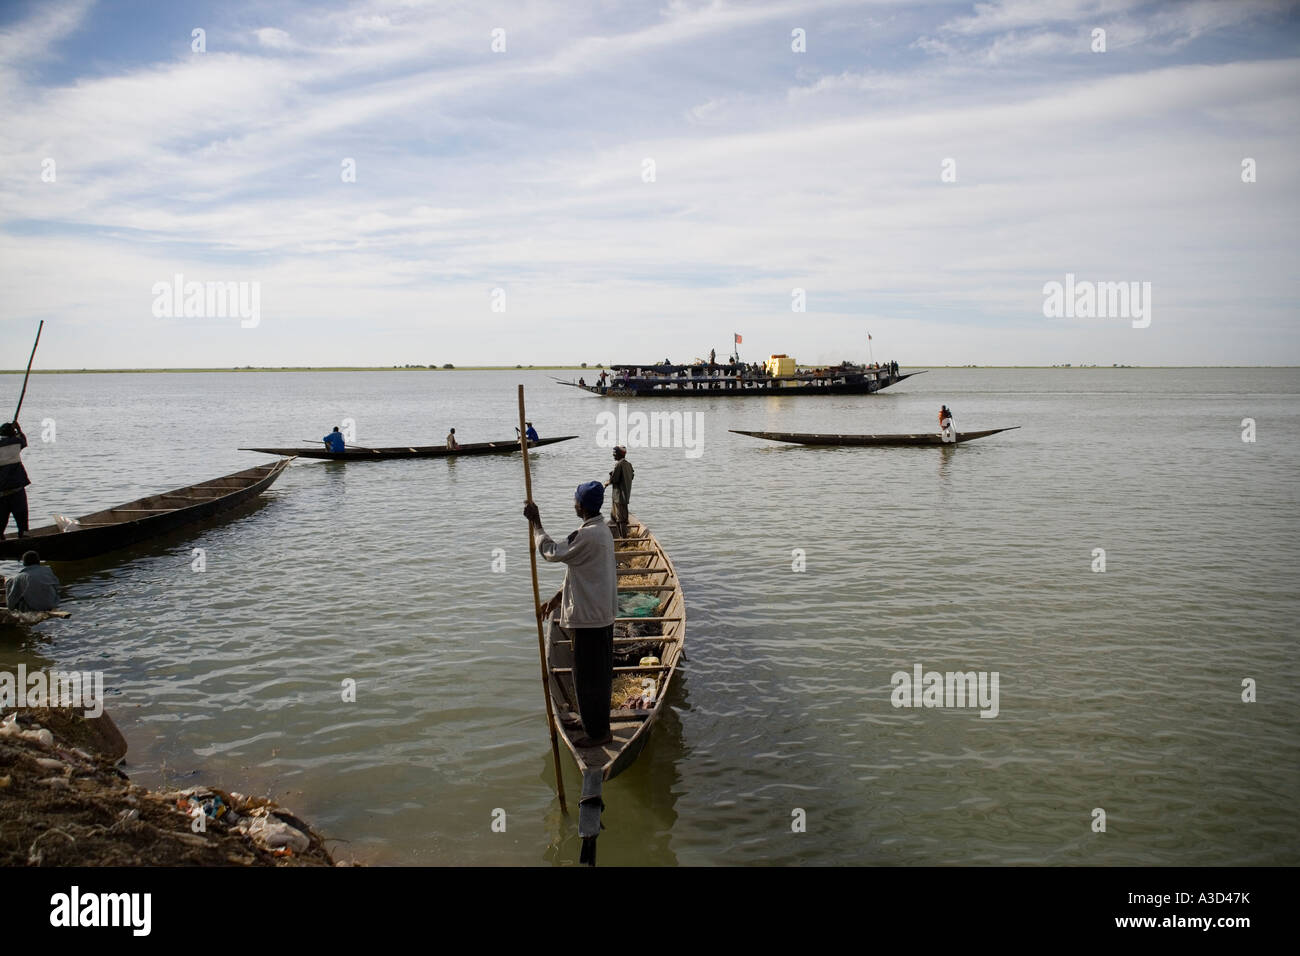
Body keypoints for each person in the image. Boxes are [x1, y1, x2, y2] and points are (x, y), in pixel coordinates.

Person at [524, 482, 617, 748]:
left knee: (591, 678)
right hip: (597, 614)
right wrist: (556, 600)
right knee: (585, 674)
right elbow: (581, 573)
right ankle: (588, 720)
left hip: (591, 619)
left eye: (575, 500)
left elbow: (552, 552)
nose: (573, 503)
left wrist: (537, 524)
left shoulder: (588, 535)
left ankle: (599, 733)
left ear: (583, 506)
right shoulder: (600, 531)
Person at [0, 421, 30, 542]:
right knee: (22, 519)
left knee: (1, 521)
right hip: (17, 491)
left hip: (1, 494)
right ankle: (24, 537)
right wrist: (19, 429)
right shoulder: (16, 443)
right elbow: (23, 440)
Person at [604, 446, 634, 538]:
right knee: (616, 517)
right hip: (624, 495)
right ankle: (622, 537)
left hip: (619, 497)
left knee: (620, 519)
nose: (613, 455)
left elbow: (615, 479)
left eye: (615, 453)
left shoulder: (618, 465)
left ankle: (624, 539)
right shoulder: (628, 464)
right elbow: (632, 476)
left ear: (620, 454)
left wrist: (606, 483)